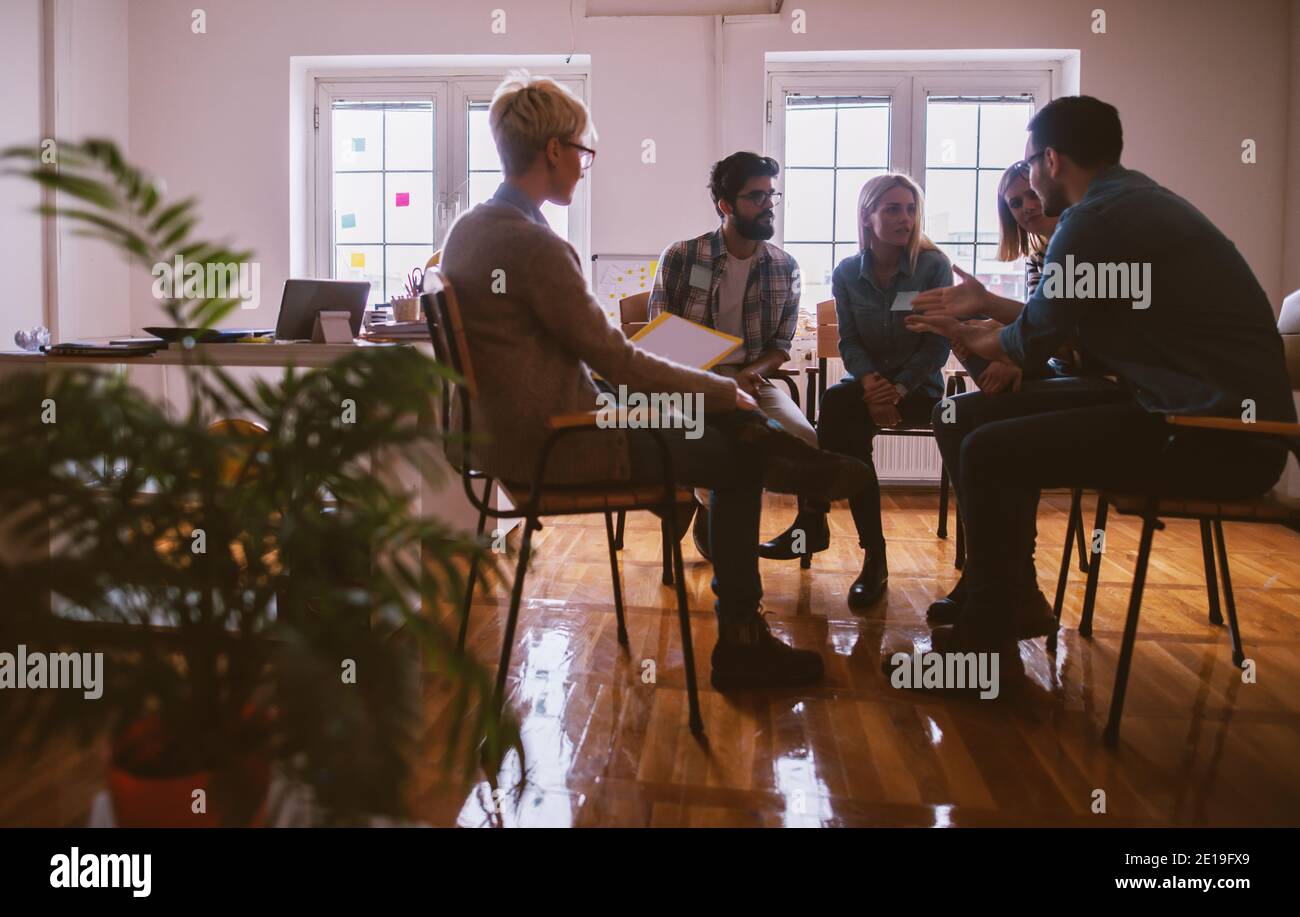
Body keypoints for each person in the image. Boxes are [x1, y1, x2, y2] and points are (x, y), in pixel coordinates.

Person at [441, 72, 870, 690]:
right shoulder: (533, 245)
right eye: (584, 151)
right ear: (555, 150)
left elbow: (593, 357)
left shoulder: (470, 230)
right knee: (731, 455)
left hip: (512, 436)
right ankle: (744, 641)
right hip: (563, 440)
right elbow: (618, 360)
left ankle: (768, 443)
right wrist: (721, 390)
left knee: (716, 418)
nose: (587, 165)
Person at [905, 95, 1295, 665]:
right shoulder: (1131, 202)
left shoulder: (1096, 219)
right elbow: (1064, 334)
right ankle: (1013, 595)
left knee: (989, 447)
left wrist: (962, 327)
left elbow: (1034, 339)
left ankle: (986, 639)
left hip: (1214, 434)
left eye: (1032, 166)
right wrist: (977, 319)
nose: (1032, 182)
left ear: (1053, 160)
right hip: (1180, 407)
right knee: (961, 415)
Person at [648, 152, 821, 564]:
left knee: (806, 438)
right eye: (756, 196)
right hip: (692, 382)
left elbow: (781, 345)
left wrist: (749, 373)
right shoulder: (682, 256)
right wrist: (712, 381)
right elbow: (660, 336)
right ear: (726, 205)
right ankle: (714, 518)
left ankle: (809, 523)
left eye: (771, 195)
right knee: (717, 447)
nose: (768, 205)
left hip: (752, 380)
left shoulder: (785, 266)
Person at [814, 174, 953, 608]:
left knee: (843, 410)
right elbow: (849, 341)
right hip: (871, 385)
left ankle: (814, 514)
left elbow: (937, 342)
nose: (905, 219)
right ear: (867, 215)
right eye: (892, 209)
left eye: (910, 209)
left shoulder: (932, 266)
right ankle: (872, 554)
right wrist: (872, 382)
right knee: (839, 405)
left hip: (920, 388)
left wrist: (896, 388)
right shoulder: (846, 274)